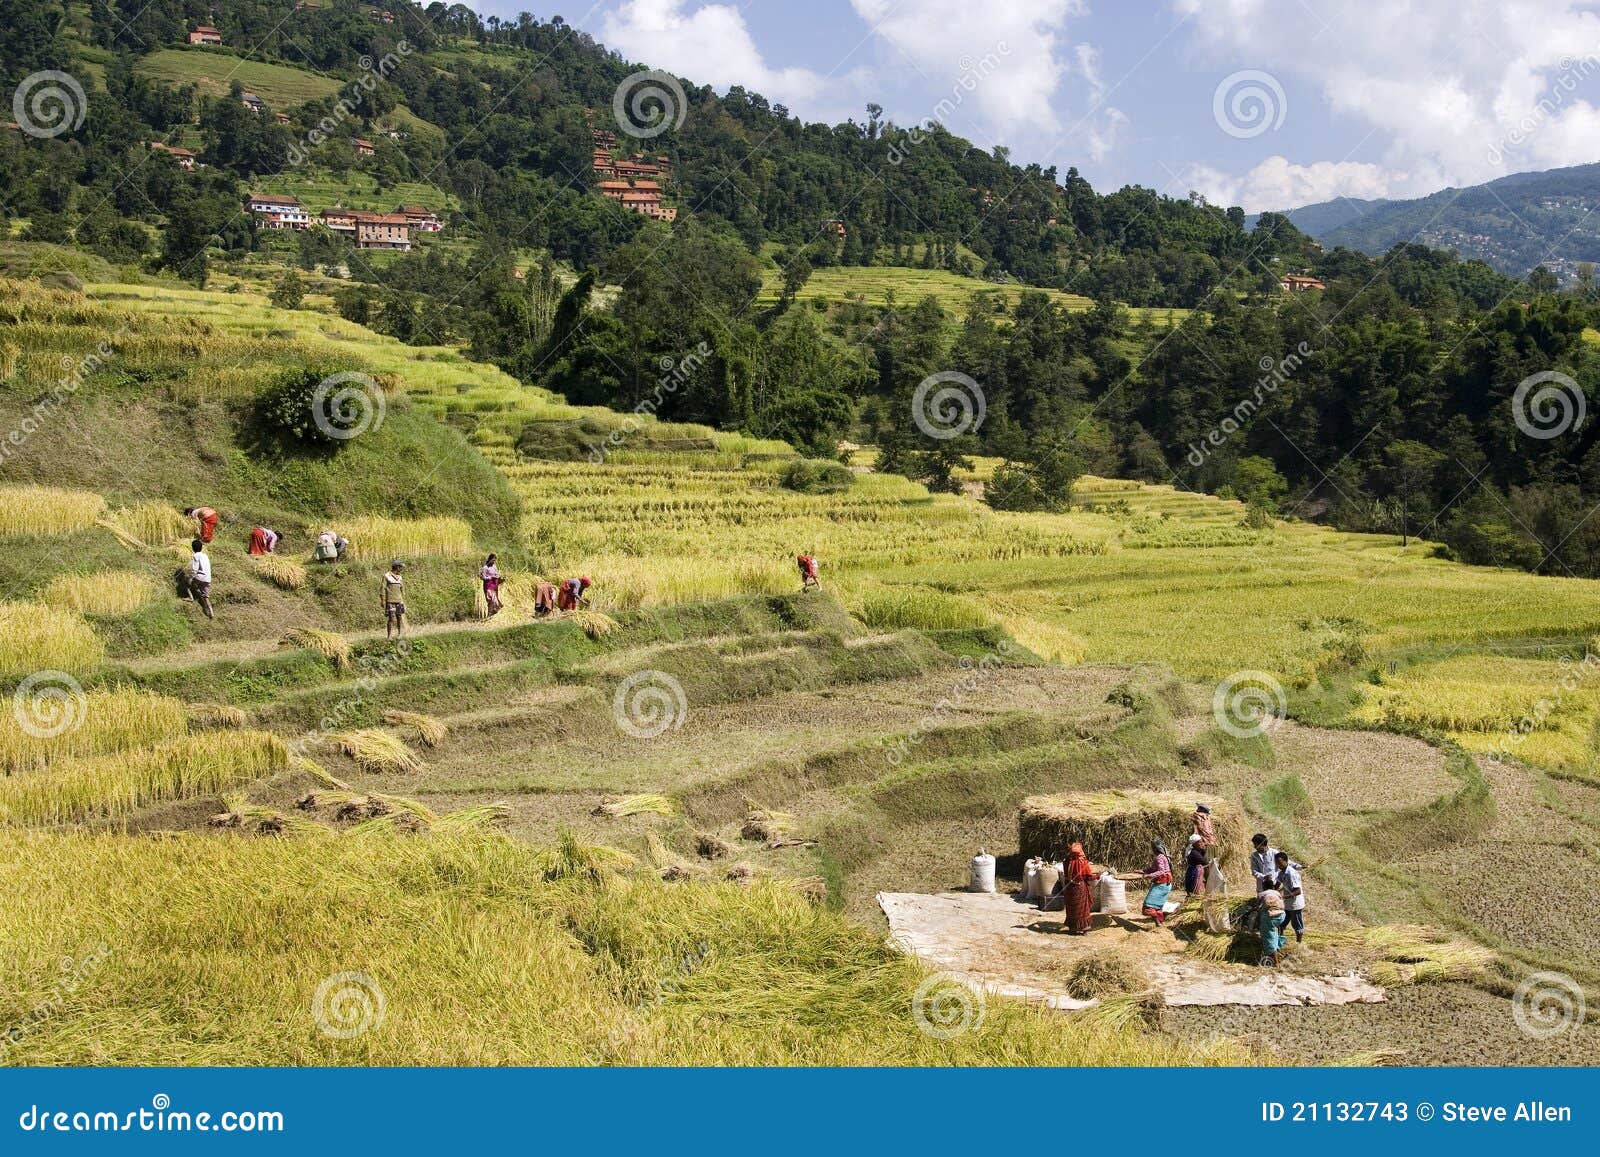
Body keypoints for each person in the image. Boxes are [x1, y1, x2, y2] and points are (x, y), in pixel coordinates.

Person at [1061, 842, 1097, 935]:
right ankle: (1084, 928)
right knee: (1082, 909)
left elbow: (1066, 875)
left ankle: (1073, 928)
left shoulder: (1066, 861)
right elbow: (1089, 877)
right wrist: (1098, 875)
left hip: (1069, 888)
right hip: (1080, 888)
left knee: (1072, 908)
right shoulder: (1083, 862)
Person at [1138, 839, 1174, 924]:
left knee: (1148, 906)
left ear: (1156, 848)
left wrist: (1148, 876)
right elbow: (1153, 868)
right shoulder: (1162, 856)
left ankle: (1158, 924)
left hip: (1162, 884)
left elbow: (1161, 871)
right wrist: (1143, 871)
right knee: (1157, 906)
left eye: (1153, 847)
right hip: (1166, 884)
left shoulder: (1159, 858)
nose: (1152, 848)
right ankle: (1159, 924)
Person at [1273, 851, 1306, 942]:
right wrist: (1271, 893)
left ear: (1286, 861)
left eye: (1279, 862)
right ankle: (1280, 940)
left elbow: (1298, 891)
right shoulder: (1281, 873)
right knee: (1281, 923)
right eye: (1276, 863)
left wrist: (1284, 897)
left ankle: (1298, 943)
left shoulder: (1292, 873)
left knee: (1297, 924)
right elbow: (1277, 885)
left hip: (1295, 904)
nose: (1278, 865)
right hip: (1287, 904)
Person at [1258, 885, 1287, 966]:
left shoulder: (1262, 894)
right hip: (1282, 916)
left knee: (1268, 936)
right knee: (1274, 932)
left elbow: (1258, 908)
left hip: (1271, 916)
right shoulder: (1277, 892)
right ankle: (1278, 949)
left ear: (1264, 886)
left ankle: (1275, 962)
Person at [188, 538, 214, 620]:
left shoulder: (196, 556)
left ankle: (191, 598)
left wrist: (190, 578)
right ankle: (211, 613)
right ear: (201, 548)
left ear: (193, 548)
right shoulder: (205, 555)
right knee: (206, 597)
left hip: (200, 577)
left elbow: (195, 569)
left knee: (187, 583)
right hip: (208, 578)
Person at [381, 560, 406, 640]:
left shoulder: (400, 577)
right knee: (391, 618)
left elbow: (402, 589)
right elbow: (382, 589)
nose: (401, 569)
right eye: (400, 567)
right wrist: (382, 600)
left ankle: (400, 634)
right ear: (396, 567)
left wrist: (403, 600)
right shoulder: (386, 576)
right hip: (390, 601)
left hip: (399, 601)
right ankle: (389, 636)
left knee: (399, 617)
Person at [1183, 833, 1207, 897]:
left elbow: (1203, 852)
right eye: (1199, 842)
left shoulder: (1197, 850)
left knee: (1195, 886)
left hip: (1194, 870)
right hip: (1195, 871)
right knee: (1195, 886)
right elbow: (1204, 861)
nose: (1201, 843)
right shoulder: (1194, 853)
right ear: (1195, 843)